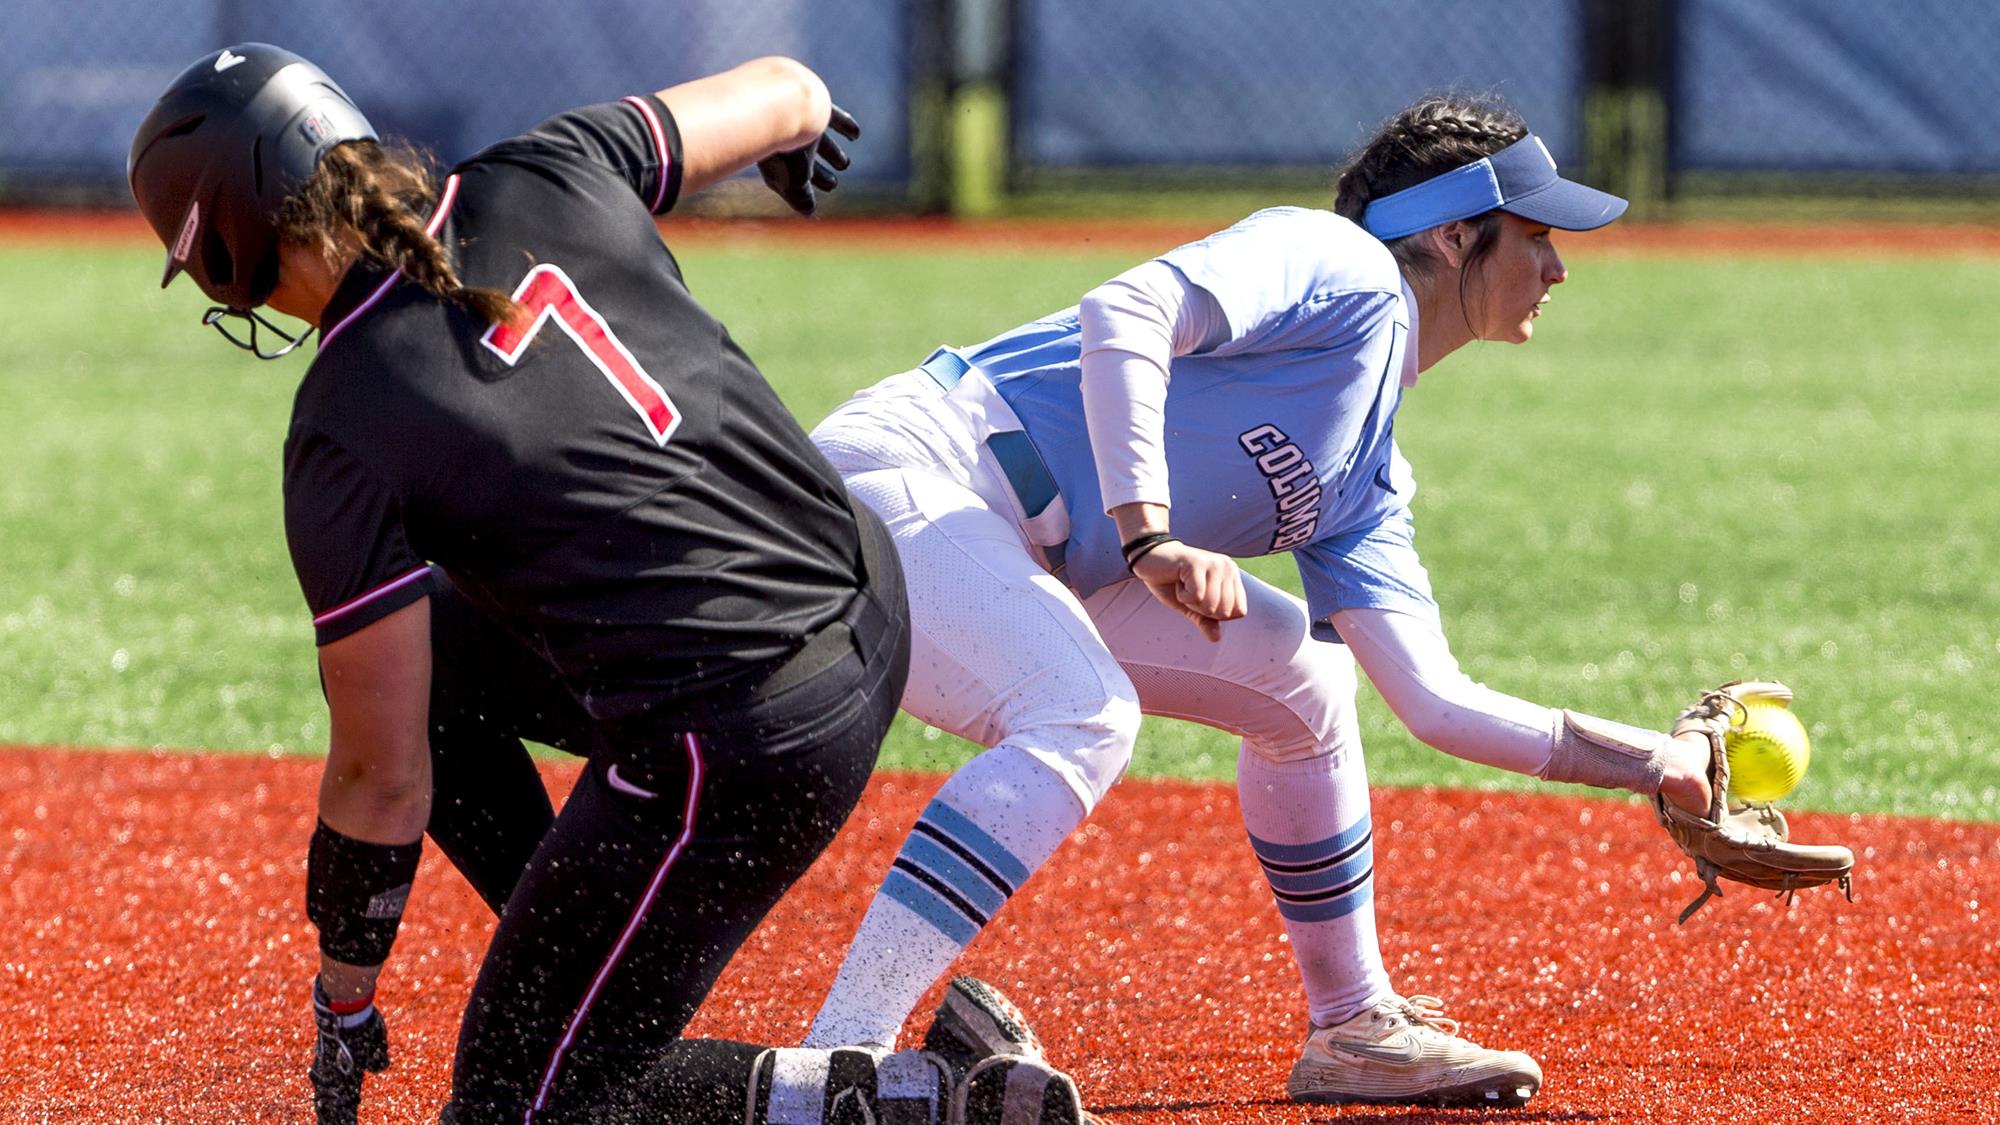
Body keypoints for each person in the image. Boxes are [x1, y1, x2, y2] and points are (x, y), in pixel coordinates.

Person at [124, 43, 999, 1125]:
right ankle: (581, 962)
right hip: (869, 599)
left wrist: (344, 988)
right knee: (445, 674)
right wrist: (801, 131)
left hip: (746, 735)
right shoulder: (544, 165)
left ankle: (927, 1096)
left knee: (518, 1107)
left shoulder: (341, 421)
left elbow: (379, 780)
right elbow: (791, 89)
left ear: (225, 250)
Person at [799, 93, 1731, 1109]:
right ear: (1455, 234)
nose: (1556, 267)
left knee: (1306, 687)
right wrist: (1150, 534)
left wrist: (1658, 763)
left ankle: (1353, 1028)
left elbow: (1435, 703)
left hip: (1036, 550)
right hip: (914, 473)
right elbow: (1126, 310)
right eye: (1536, 235)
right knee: (1083, 710)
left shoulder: (1367, 476)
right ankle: (842, 1055)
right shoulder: (1340, 261)